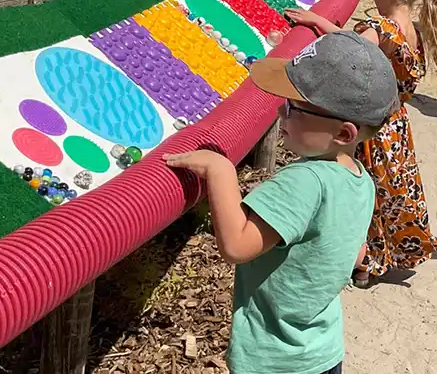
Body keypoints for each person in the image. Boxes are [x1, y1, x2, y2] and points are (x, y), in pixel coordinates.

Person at [165, 30, 397, 374]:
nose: (280, 111)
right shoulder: (360, 180)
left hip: (277, 360)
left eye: (293, 108)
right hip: (322, 351)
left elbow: (237, 245)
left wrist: (220, 171)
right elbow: (356, 252)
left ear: (343, 133)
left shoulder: (305, 181)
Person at [286, 0, 437, 288]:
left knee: (367, 191)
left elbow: (350, 57)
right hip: (395, 128)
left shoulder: (381, 28)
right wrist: (325, 26)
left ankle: (364, 259)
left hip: (370, 126)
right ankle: (386, 253)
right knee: (392, 191)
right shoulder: (415, 34)